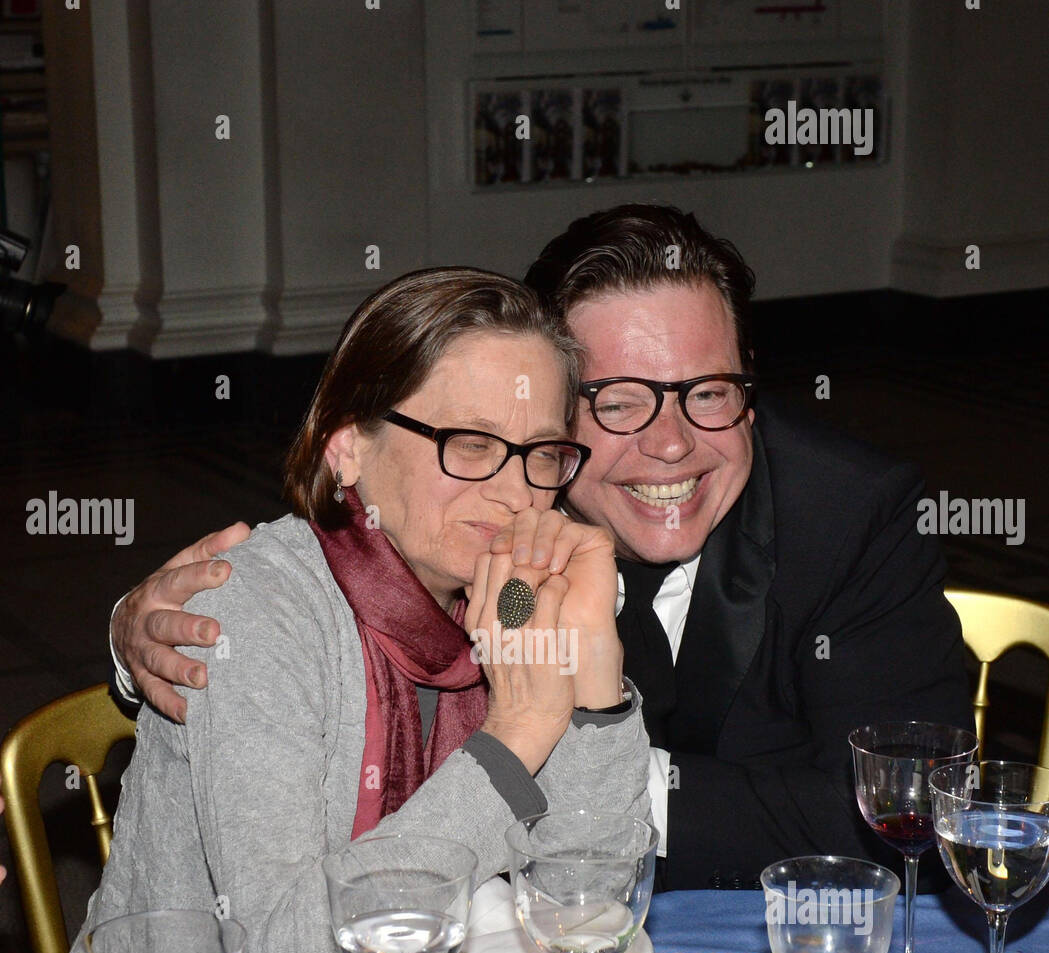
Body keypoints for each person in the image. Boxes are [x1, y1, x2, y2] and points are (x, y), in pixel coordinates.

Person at [108, 205, 973, 889]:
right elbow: (327, 623)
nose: (671, 444)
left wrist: (583, 764)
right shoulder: (485, 525)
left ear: (749, 391)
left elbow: (904, 814)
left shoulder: (850, 515)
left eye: (707, 391)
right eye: (619, 401)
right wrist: (134, 636)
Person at [37, 267, 649, 953]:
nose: (513, 493)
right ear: (347, 447)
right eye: (468, 445)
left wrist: (595, 669)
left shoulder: (513, 601)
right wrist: (511, 742)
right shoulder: (260, 613)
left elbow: (588, 907)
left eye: (541, 454)